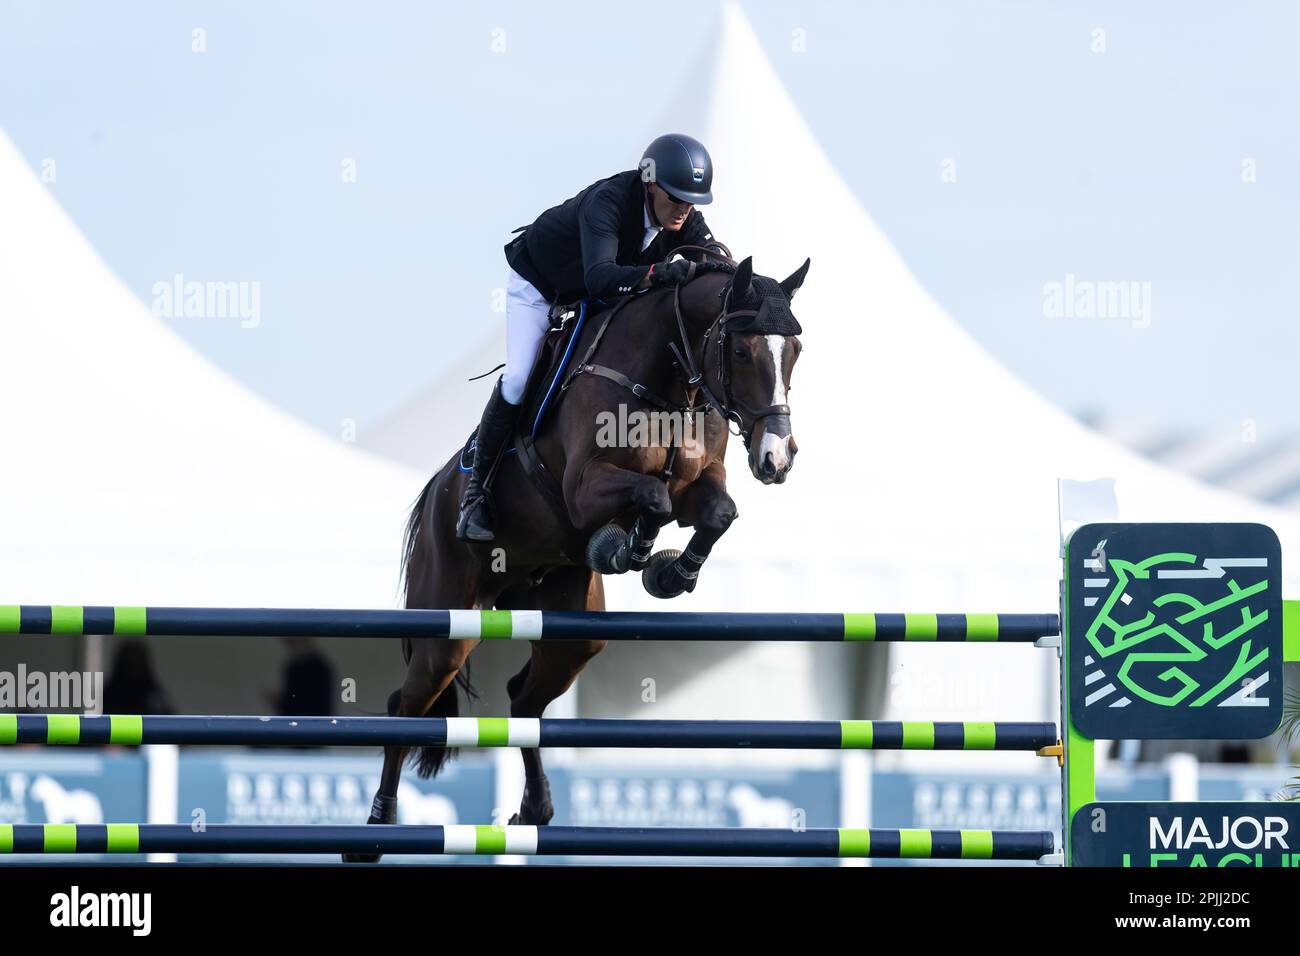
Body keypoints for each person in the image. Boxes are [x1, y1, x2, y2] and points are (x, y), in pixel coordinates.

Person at [456, 133, 727, 542]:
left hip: (599, 293)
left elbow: (717, 265)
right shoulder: (609, 203)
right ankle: (476, 494)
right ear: (649, 184)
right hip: (541, 289)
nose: (683, 210)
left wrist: (748, 288)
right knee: (518, 378)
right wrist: (655, 274)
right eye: (675, 199)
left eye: (691, 202)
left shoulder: (684, 215)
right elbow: (599, 278)